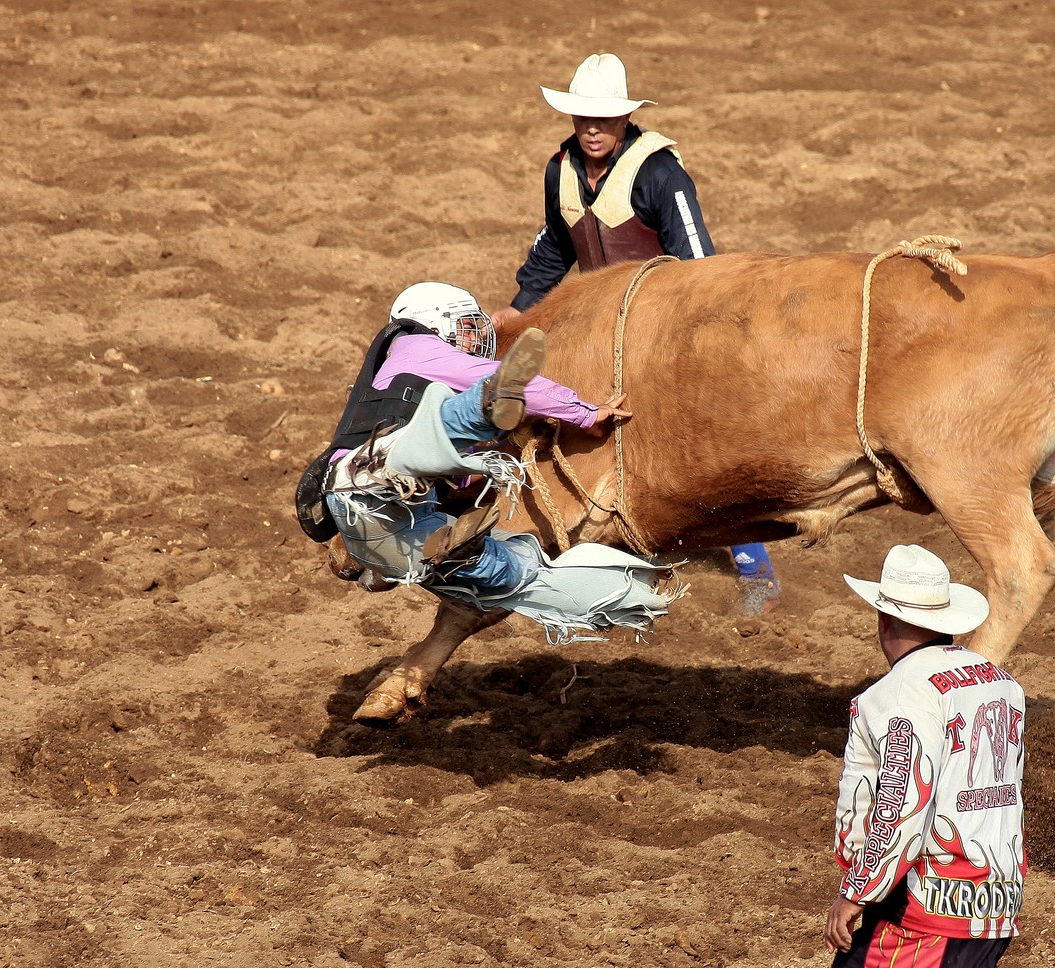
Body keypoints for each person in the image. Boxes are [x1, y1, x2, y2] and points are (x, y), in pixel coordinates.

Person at [488, 52, 780, 616]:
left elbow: (700, 264)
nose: (592, 129)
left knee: (699, 443)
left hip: (661, 327)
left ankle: (755, 569)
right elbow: (555, 245)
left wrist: (698, 340)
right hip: (597, 328)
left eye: (604, 119)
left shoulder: (660, 173)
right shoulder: (561, 170)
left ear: (624, 119)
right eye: (583, 119)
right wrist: (519, 308)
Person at [822, 544, 1048, 968]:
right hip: (998, 896)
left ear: (886, 621)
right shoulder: (999, 682)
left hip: (926, 900)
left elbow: (900, 806)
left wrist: (857, 890)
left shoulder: (892, 698)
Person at [293, 281, 679, 641]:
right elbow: (511, 390)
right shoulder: (415, 346)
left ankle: (631, 597)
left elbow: (450, 473)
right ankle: (486, 403)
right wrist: (584, 413)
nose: (476, 338)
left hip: (397, 528)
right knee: (443, 427)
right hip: (369, 474)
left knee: (517, 576)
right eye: (465, 326)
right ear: (432, 324)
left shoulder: (383, 376)